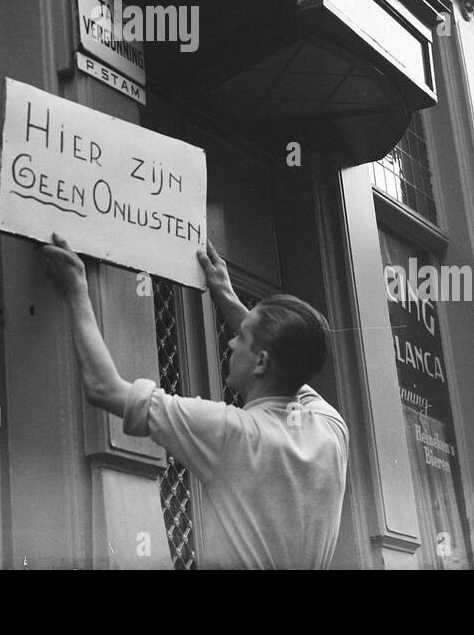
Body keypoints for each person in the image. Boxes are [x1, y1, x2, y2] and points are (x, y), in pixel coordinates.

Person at [39, 232, 349, 569]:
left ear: (260, 362)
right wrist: (226, 294)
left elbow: (104, 388)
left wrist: (77, 290)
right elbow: (286, 360)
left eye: (241, 338)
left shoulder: (231, 432)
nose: (230, 343)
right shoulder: (330, 429)